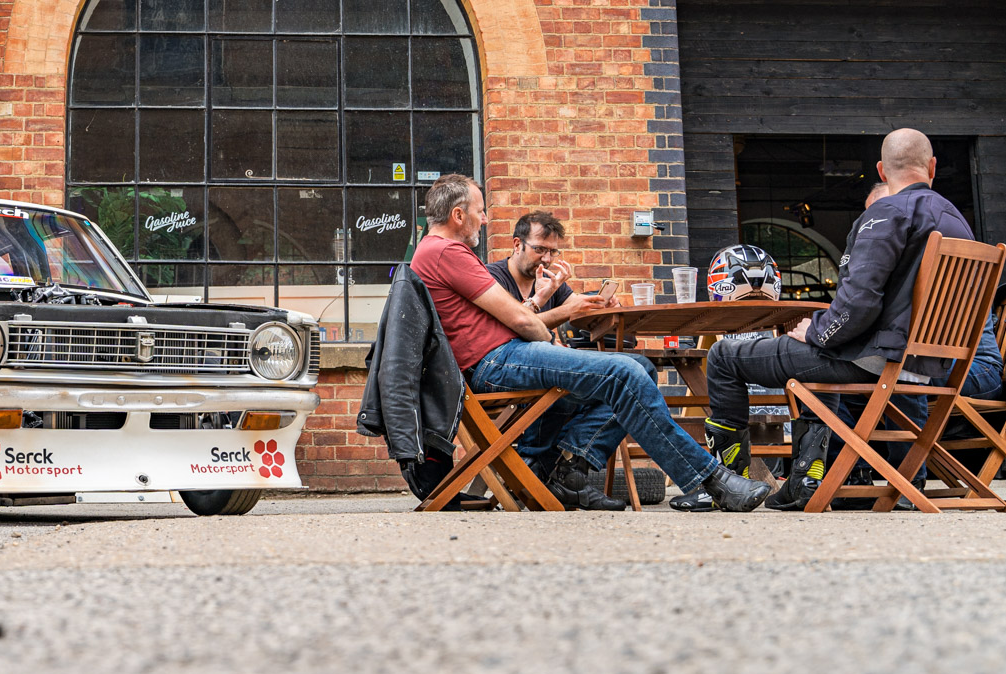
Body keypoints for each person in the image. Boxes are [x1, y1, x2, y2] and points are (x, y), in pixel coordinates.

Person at [411, 175, 769, 513]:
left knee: (636, 368)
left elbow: (516, 319)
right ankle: (710, 480)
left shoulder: (437, 252)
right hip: (496, 361)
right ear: (458, 215)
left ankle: (569, 469)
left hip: (500, 358)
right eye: (479, 211)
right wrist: (547, 336)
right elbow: (521, 320)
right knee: (623, 372)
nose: (485, 219)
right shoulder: (447, 252)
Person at [703, 128, 975, 487]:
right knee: (817, 364)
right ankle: (817, 484)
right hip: (927, 364)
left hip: (876, 361)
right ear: (933, 167)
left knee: (724, 355)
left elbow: (858, 303)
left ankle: (728, 484)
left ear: (881, 170)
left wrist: (815, 331)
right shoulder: (958, 222)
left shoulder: (886, 214)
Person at [484, 212, 659, 508]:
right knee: (622, 378)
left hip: (551, 381)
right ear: (517, 245)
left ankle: (572, 472)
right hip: (510, 381)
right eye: (540, 249)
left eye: (553, 251)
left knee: (637, 373)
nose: (547, 259)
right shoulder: (493, 278)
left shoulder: (554, 283)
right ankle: (537, 466)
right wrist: (542, 299)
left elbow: (578, 312)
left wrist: (600, 306)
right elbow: (512, 330)